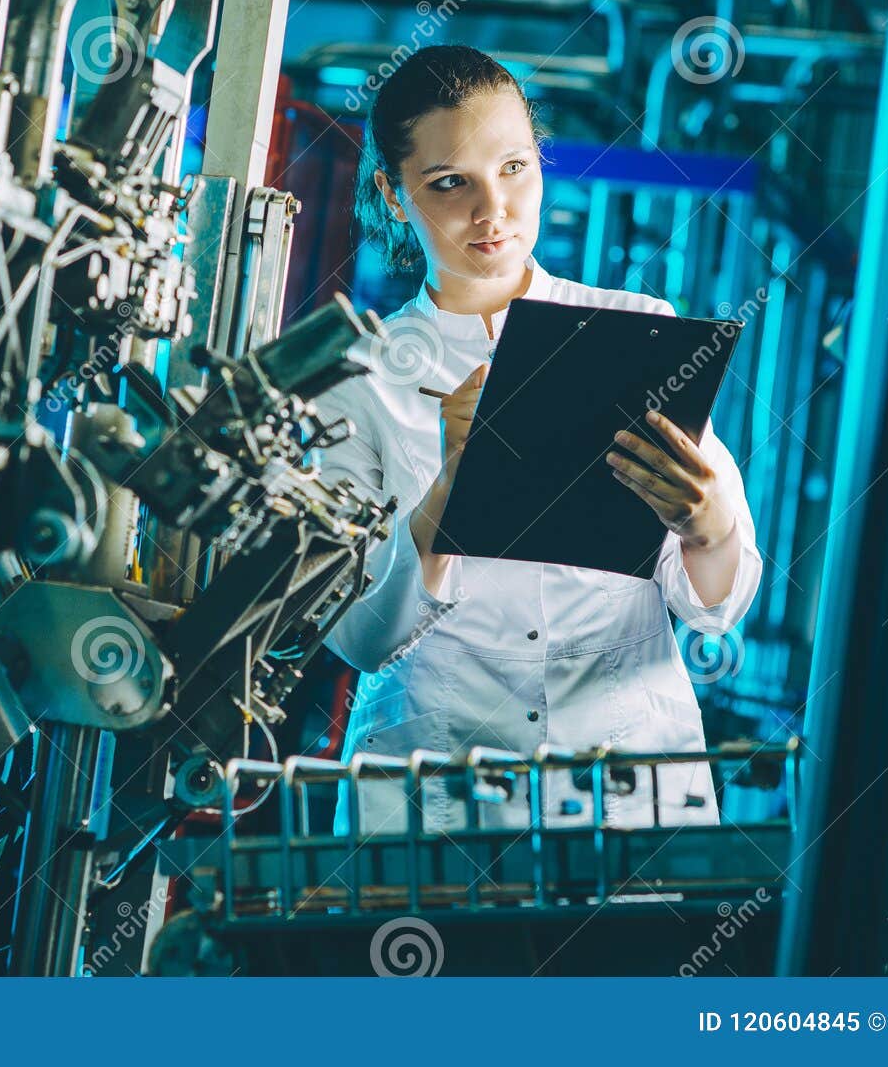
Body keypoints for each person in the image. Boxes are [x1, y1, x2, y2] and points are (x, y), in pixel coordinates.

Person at [316, 45, 763, 835]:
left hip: (629, 791)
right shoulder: (359, 375)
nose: (493, 210)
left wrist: (709, 524)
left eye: (515, 167)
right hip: (435, 794)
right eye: (450, 183)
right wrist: (452, 485)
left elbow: (719, 606)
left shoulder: (640, 330)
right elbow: (358, 637)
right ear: (392, 192)